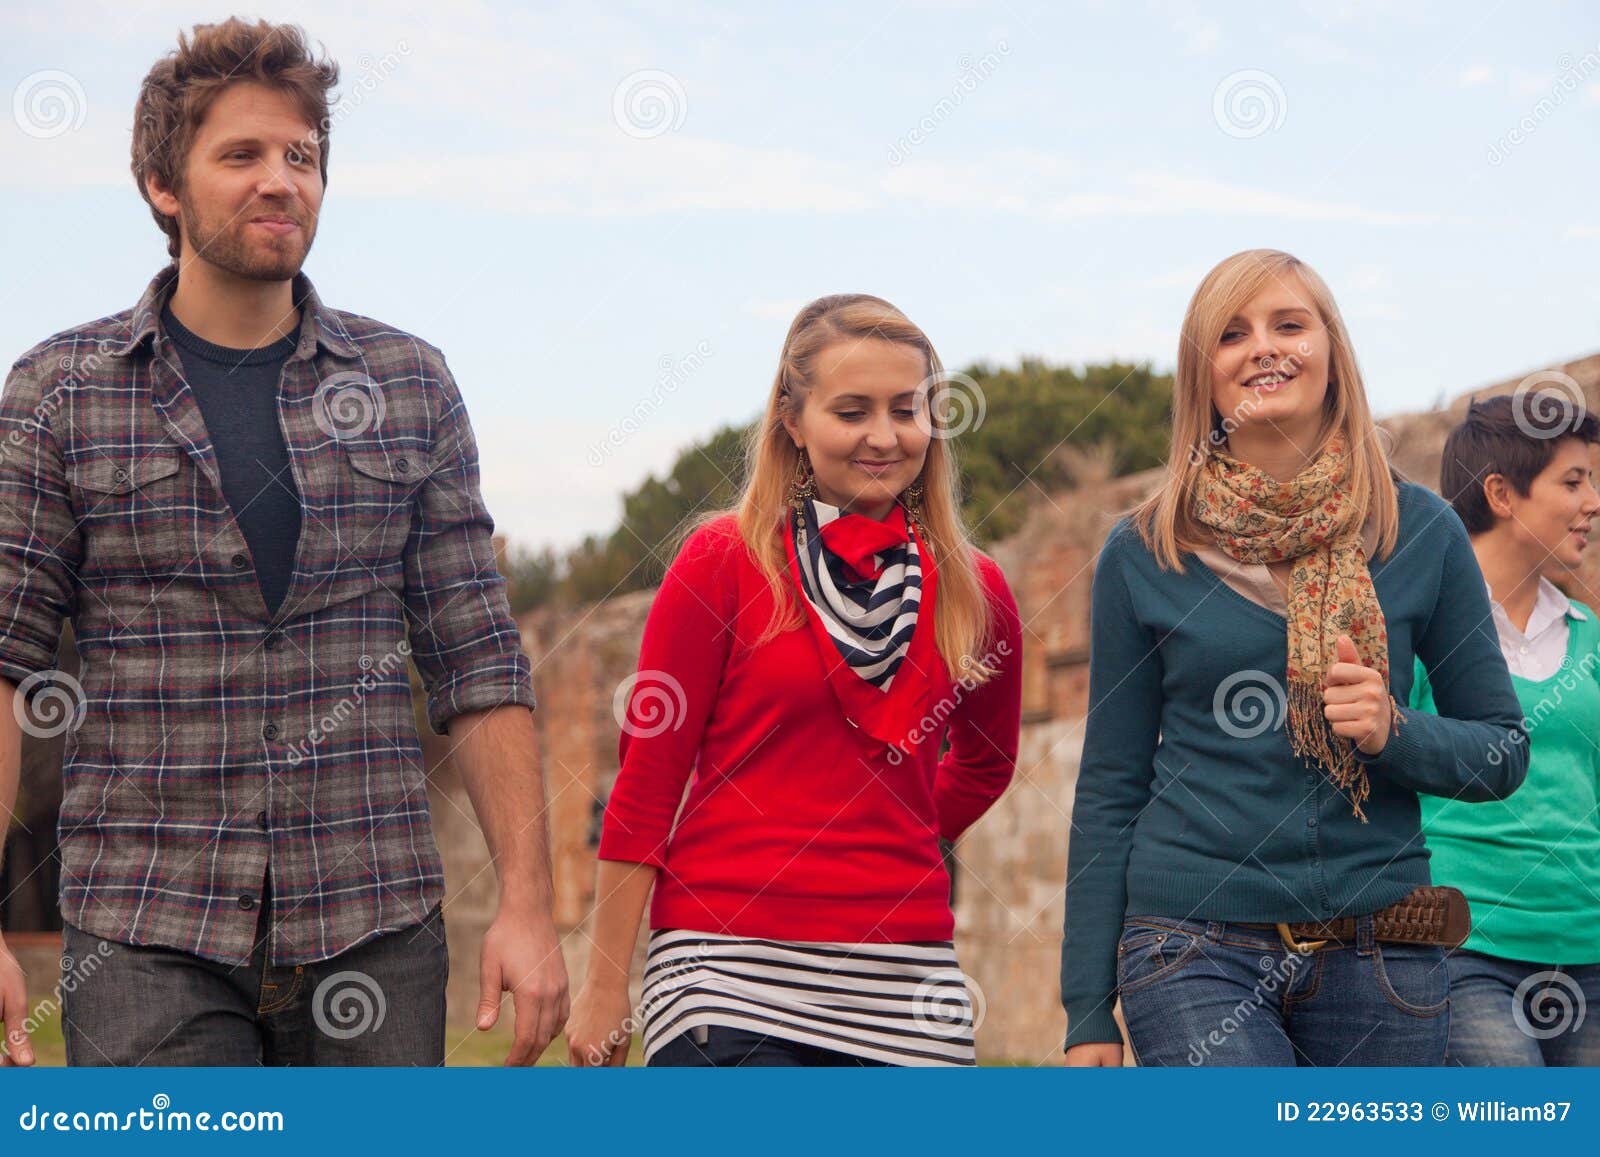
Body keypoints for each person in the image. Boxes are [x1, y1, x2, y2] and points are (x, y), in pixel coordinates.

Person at [0, 18, 566, 1067]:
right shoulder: (59, 392)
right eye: (241, 154)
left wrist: (528, 906)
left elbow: (479, 659)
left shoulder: (408, 382)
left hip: (373, 921)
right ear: (164, 188)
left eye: (301, 157)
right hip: (144, 927)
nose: (281, 181)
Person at [1060, 249, 1529, 1067]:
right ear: (1201, 374)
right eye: (1232, 333)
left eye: (1290, 324)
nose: (1264, 346)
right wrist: (1087, 1008)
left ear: (1331, 351)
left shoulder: (1419, 532)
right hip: (1191, 946)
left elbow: (1501, 749)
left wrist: (1394, 729)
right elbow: (1110, 785)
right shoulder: (1144, 550)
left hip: (1382, 952)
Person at [564, 294, 1022, 1066]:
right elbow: (647, 785)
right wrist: (608, 983)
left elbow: (987, 762)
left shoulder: (977, 591)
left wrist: (886, 836)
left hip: (906, 977)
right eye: (852, 410)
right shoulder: (722, 561)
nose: (884, 435)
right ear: (792, 419)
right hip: (722, 970)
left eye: (906, 409)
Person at [1412, 392, 1600, 1066]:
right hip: (1465, 951)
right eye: (1573, 481)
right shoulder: (1416, 629)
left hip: (1590, 951)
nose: (1594, 501)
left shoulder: (1593, 641)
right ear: (1502, 493)